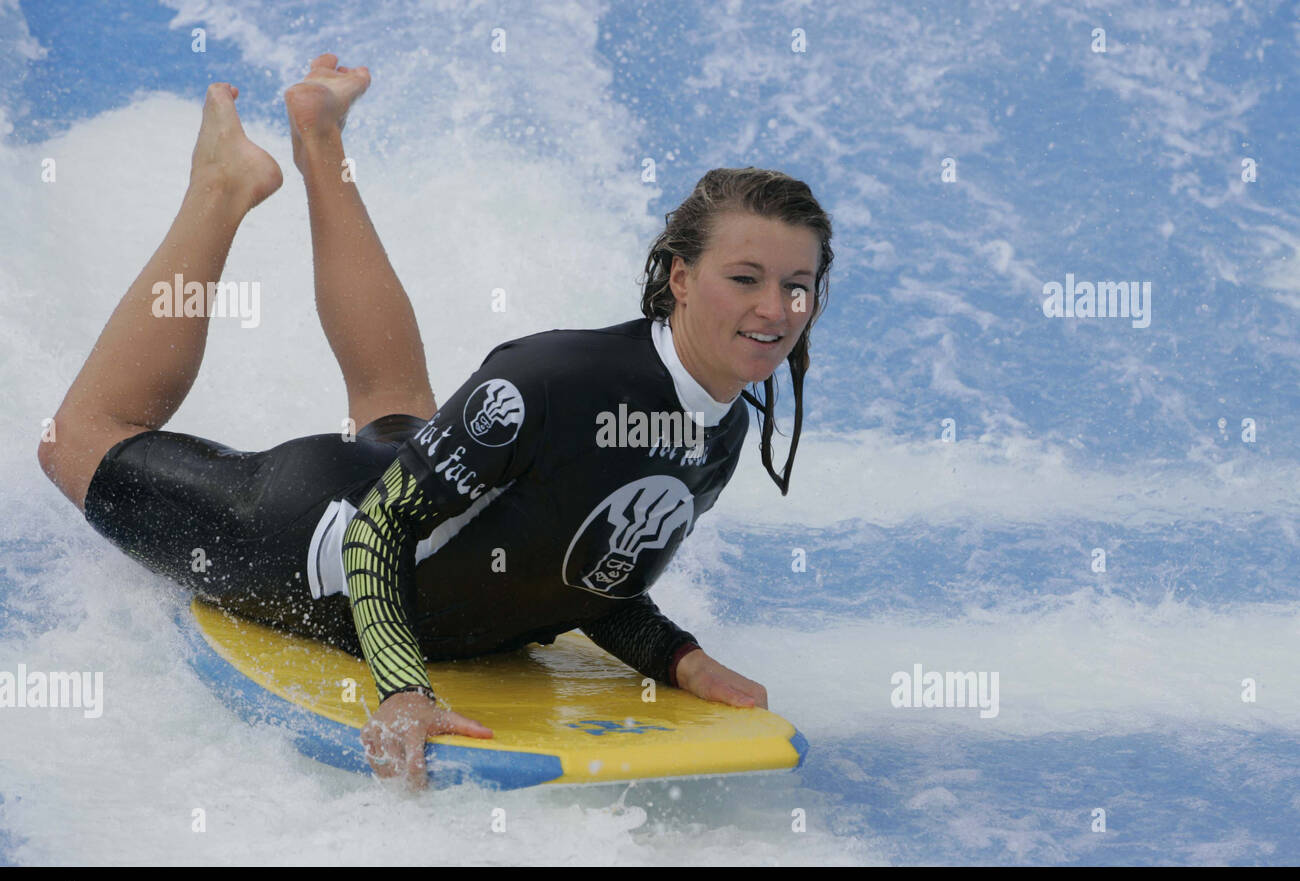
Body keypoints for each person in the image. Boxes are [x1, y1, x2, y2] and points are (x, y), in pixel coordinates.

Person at [38, 54, 834, 790]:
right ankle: (221, 184)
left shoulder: (722, 423)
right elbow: (376, 532)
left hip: (419, 510)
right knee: (78, 439)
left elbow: (582, 577)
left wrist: (680, 660)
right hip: (317, 537)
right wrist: (404, 690)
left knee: (395, 395)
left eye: (797, 285)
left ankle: (319, 133)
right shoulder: (551, 382)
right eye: (746, 278)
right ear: (681, 280)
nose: (776, 309)